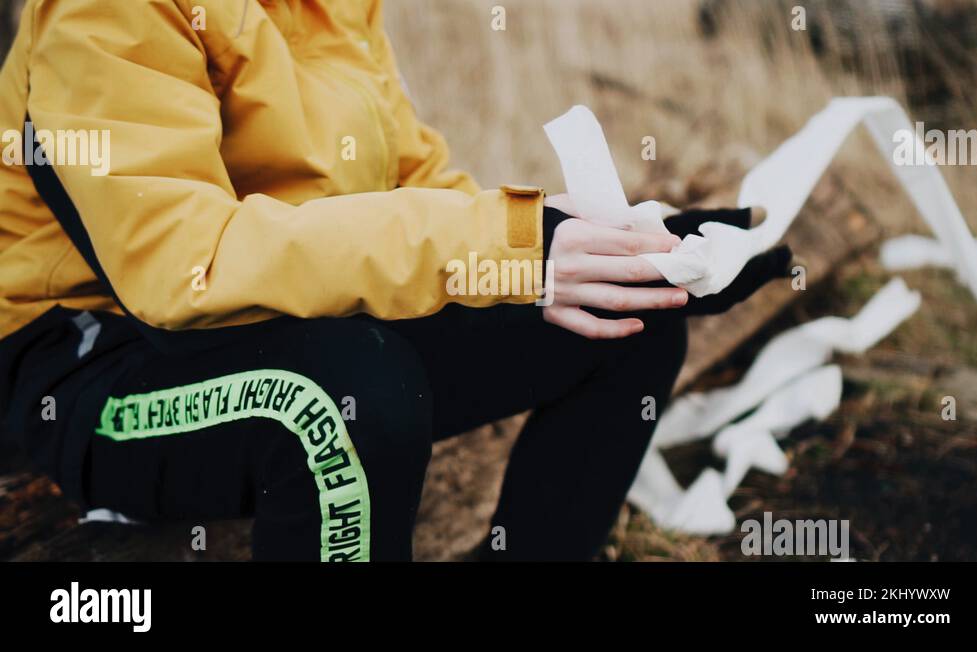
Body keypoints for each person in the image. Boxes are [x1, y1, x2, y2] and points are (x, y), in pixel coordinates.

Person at [0, 0, 790, 561]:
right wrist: (505, 240)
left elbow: (418, 191)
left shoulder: (335, 8)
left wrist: (602, 241)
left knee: (626, 311)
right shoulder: (101, 9)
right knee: (343, 399)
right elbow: (181, 267)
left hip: (282, 317)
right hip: (95, 366)